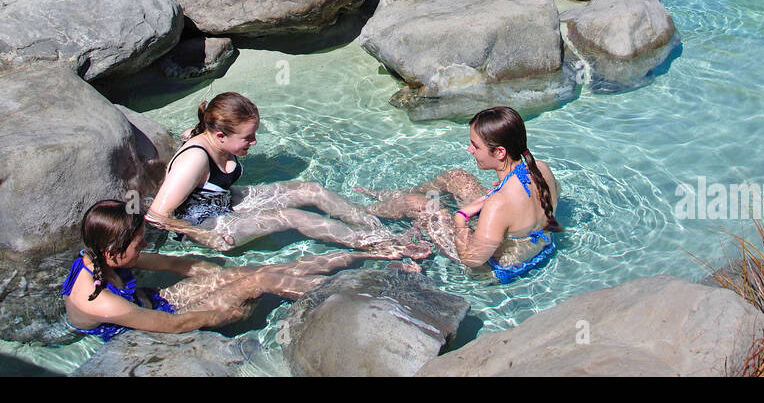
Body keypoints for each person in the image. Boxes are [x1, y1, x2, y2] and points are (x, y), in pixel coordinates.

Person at [62, 199, 422, 341]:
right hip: (155, 324)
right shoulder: (99, 300)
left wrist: (224, 275)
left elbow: (178, 263)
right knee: (261, 282)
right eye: (139, 245)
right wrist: (224, 306)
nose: (144, 250)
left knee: (268, 270)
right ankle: (358, 294)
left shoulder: (104, 254)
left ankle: (372, 255)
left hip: (153, 303)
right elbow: (174, 325)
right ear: (112, 254)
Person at [145, 93, 407, 253]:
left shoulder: (210, 134)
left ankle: (377, 229)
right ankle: (369, 243)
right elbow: (156, 216)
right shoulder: (194, 160)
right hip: (208, 226)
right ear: (220, 136)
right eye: (248, 138)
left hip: (225, 201)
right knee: (291, 217)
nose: (255, 142)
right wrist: (202, 235)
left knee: (310, 189)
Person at [360, 106, 561, 284]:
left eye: (476, 145)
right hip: (539, 245)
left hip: (496, 269)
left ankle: (362, 212)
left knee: (424, 207)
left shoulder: (499, 204)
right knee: (458, 177)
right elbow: (537, 200)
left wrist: (461, 218)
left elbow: (472, 259)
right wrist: (504, 192)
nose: (469, 149)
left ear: (500, 152)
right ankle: (392, 197)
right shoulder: (540, 168)